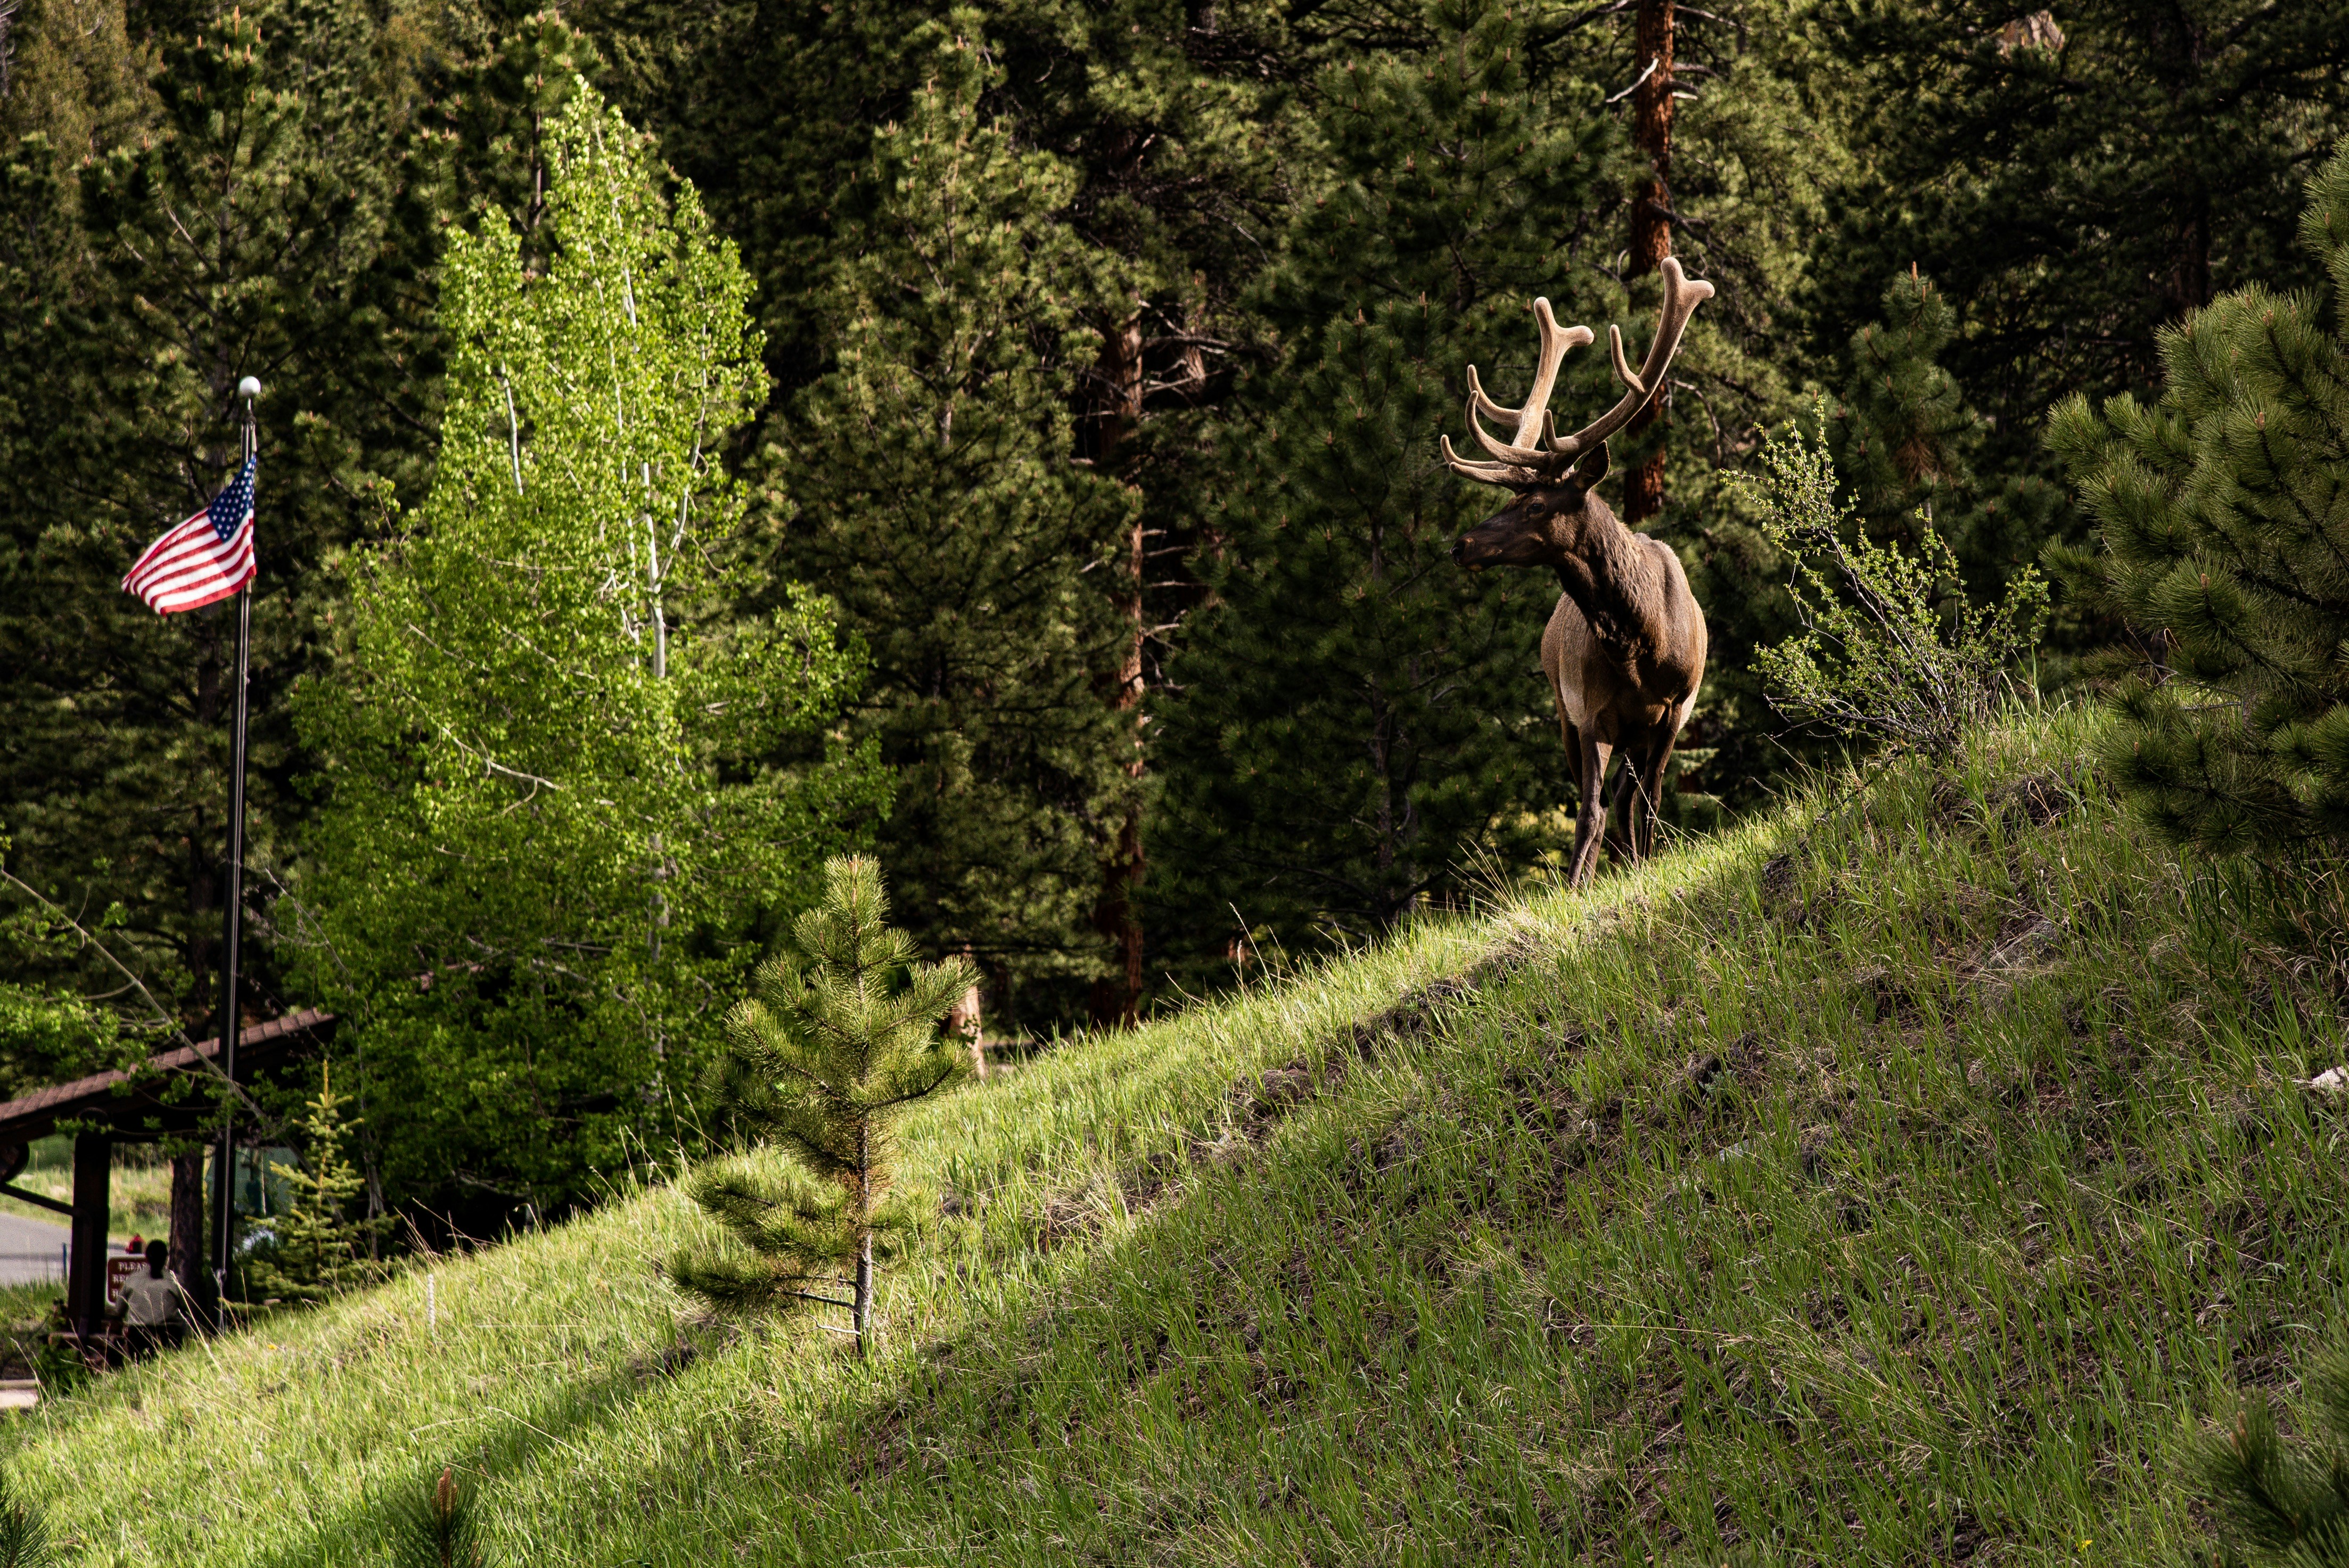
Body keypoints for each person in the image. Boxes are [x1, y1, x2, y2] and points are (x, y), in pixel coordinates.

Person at [109, 1238, 190, 1356]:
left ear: (146, 1257)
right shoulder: (173, 1281)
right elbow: (186, 1308)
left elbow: (119, 1311)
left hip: (138, 1336)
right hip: (169, 1336)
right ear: (166, 1258)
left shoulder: (133, 1279)